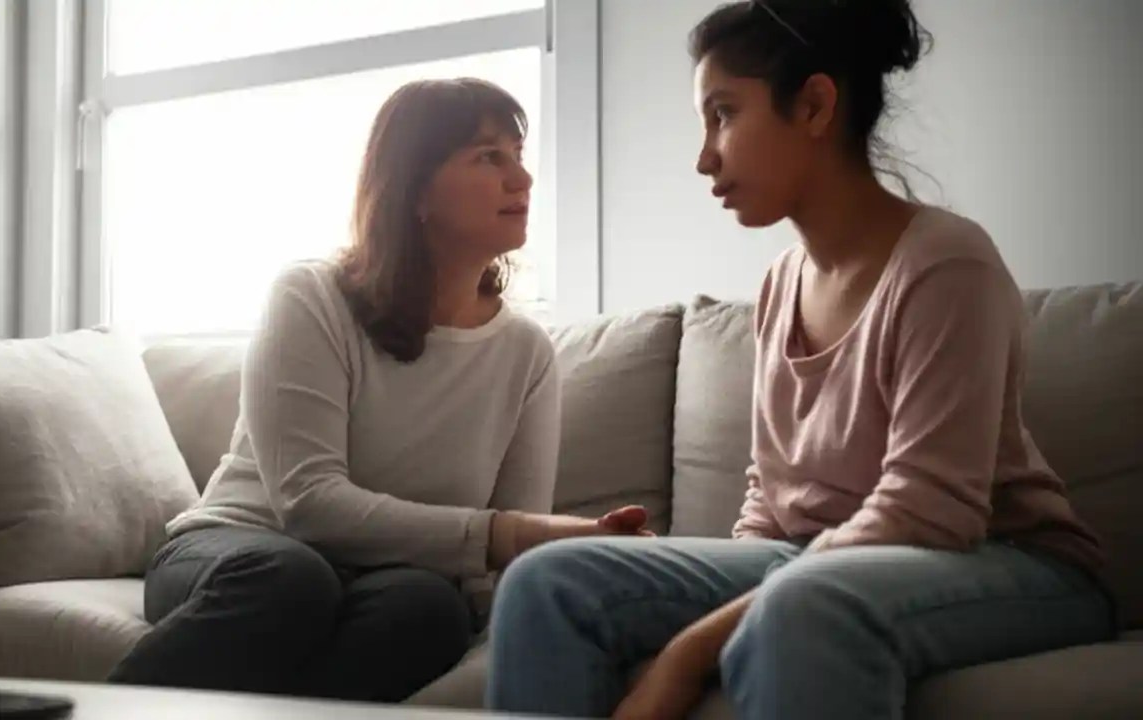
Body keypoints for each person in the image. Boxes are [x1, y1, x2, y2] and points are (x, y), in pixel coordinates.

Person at [485, 2, 1116, 718]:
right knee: (547, 582)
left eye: (723, 114)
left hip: (1013, 563)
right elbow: (773, 497)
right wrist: (718, 581)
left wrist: (690, 648)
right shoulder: (782, 283)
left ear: (814, 106)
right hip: (817, 562)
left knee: (802, 605)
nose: (704, 157)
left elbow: (932, 513)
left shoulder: (946, 264)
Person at [106, 78, 650, 702]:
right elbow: (308, 502)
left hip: (382, 581)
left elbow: (494, 572)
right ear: (415, 190)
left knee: (428, 610)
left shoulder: (525, 352)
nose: (522, 181)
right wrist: (524, 534)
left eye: (519, 157)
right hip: (240, 551)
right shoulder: (312, 297)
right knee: (294, 581)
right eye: (488, 156)